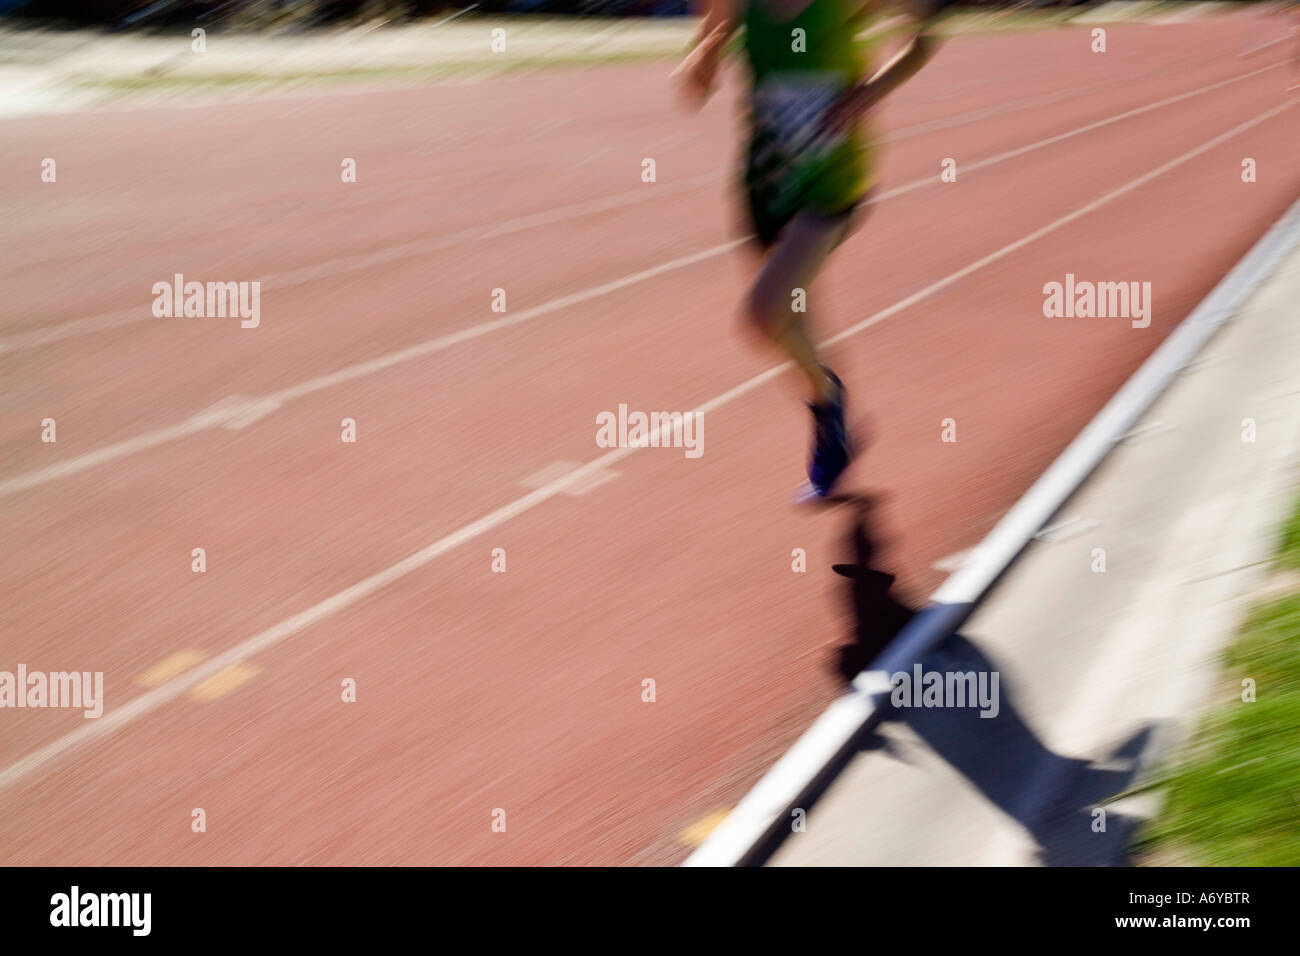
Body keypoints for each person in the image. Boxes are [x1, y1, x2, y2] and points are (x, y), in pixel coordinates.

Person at [675, 0, 943, 497]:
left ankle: (828, 402)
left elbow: (924, 36)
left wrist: (868, 94)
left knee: (761, 315)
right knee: (792, 321)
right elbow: (692, 89)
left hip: (834, 178)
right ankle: (829, 407)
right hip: (766, 180)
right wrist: (709, 47)